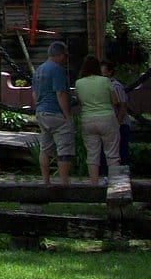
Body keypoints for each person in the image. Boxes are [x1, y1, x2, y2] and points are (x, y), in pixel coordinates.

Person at [75, 54, 121, 185]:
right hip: (107, 118)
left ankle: (94, 184)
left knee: (92, 155)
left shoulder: (79, 83)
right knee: (112, 154)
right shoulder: (105, 81)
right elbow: (115, 100)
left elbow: (79, 101)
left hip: (88, 119)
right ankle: (115, 185)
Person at [32, 41, 73, 185]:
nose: (66, 59)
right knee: (64, 149)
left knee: (45, 148)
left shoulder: (39, 70)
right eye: (66, 56)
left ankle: (45, 181)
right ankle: (64, 183)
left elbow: (35, 94)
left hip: (41, 111)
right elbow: (60, 93)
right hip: (55, 112)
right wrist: (67, 115)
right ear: (60, 55)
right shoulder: (57, 70)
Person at [99, 60, 129, 174]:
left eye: (103, 72)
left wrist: (118, 122)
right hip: (108, 123)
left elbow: (123, 105)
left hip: (120, 123)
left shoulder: (116, 86)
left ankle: (123, 175)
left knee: (121, 150)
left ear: (110, 72)